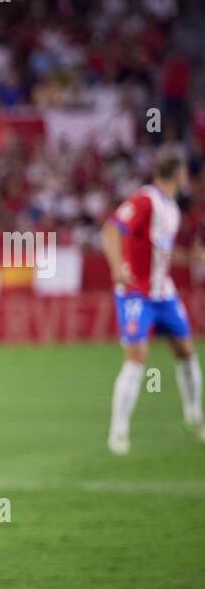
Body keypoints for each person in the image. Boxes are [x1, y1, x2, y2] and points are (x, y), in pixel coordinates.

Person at [100, 152, 202, 454]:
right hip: (136, 293)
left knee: (186, 351)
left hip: (164, 294)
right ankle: (118, 431)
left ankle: (195, 415)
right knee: (136, 359)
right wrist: (118, 268)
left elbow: (161, 253)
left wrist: (189, 257)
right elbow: (111, 229)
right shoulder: (145, 199)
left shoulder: (171, 209)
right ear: (180, 173)